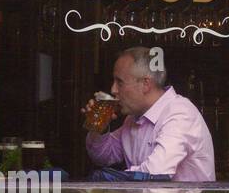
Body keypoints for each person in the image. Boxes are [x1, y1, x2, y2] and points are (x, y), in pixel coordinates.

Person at [85, 47, 216, 182]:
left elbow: (155, 172)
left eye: (120, 82)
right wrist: (98, 124)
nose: (113, 89)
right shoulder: (133, 118)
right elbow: (102, 157)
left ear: (145, 84)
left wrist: (106, 179)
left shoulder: (180, 114)